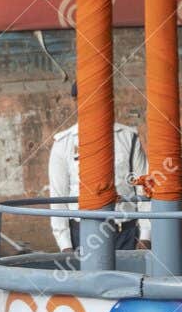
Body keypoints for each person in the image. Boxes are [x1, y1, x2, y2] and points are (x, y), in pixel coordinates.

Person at [48, 83, 150, 253]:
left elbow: (143, 189)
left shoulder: (128, 138)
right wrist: (65, 245)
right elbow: (58, 197)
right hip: (81, 235)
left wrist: (146, 236)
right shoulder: (63, 144)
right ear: (75, 101)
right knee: (87, 280)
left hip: (126, 233)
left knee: (131, 279)